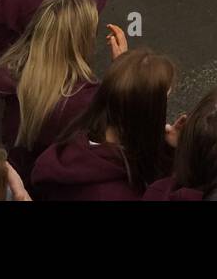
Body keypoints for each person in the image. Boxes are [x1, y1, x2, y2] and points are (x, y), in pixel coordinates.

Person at [0, 0, 108, 187]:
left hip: (23, 175)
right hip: (58, 186)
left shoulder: (11, 75)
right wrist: (125, 70)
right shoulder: (80, 100)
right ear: (79, 43)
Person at [30, 48, 178, 201]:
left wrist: (168, 149)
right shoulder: (114, 193)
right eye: (163, 103)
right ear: (145, 114)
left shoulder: (79, 140)